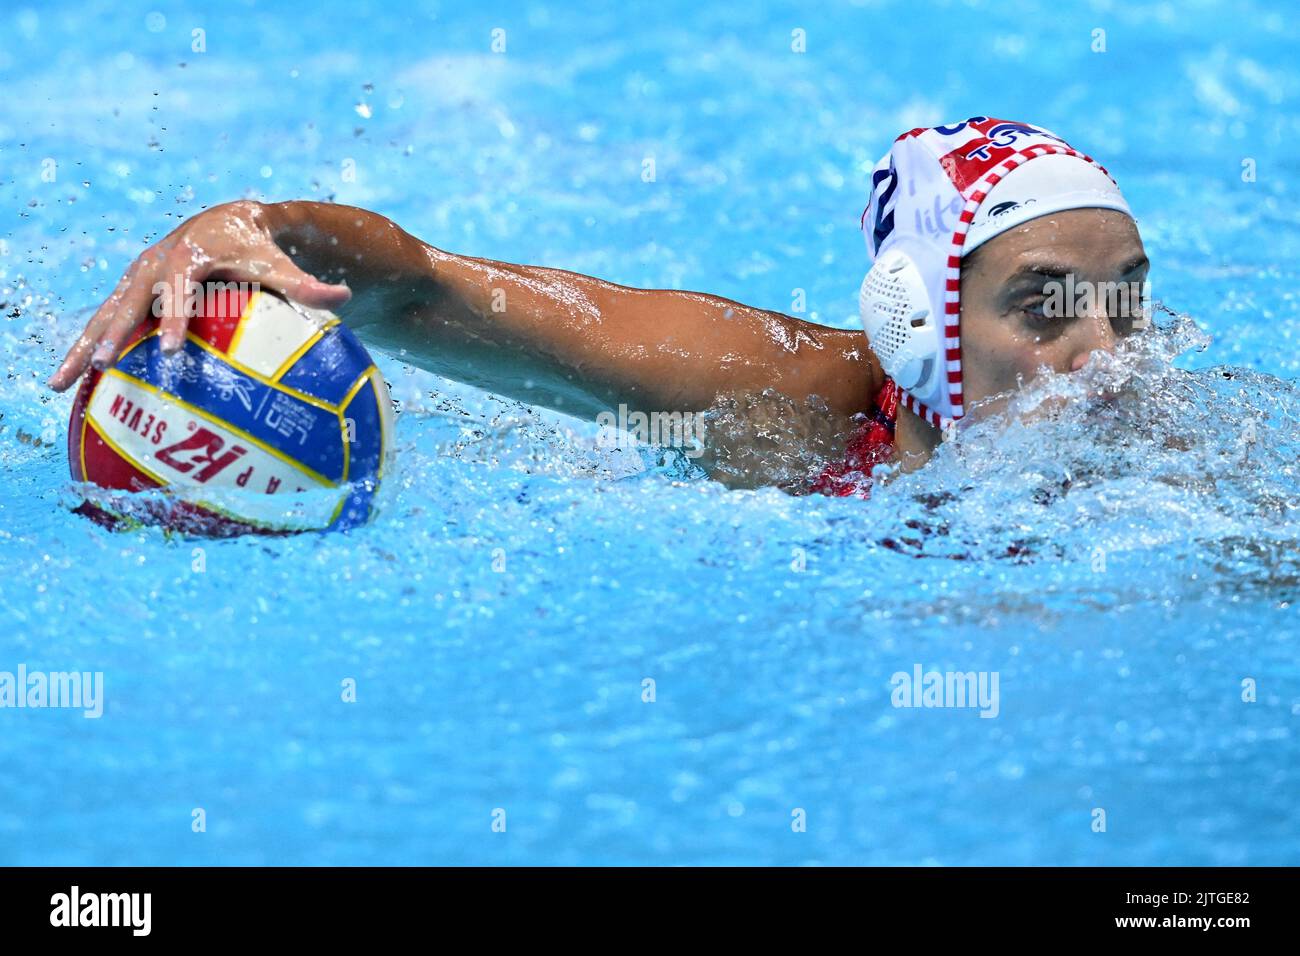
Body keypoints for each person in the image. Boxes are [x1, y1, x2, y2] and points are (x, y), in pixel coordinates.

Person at [48, 116, 1149, 496]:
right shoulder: (779, 399)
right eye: (1044, 308)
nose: (1107, 357)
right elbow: (422, 286)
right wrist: (263, 231)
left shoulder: (1172, 449)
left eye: (1124, 305)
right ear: (920, 321)